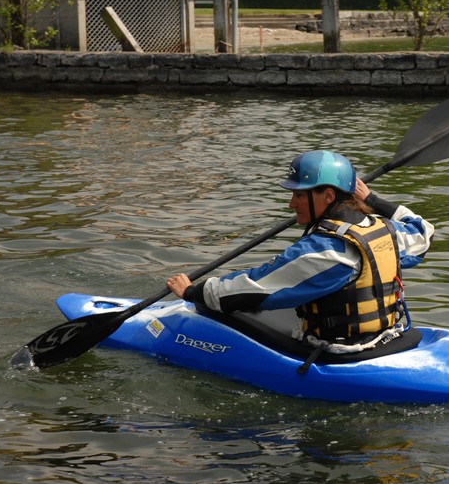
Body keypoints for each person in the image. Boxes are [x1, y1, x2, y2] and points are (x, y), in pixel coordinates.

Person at [166, 150, 434, 350]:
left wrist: (194, 291)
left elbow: (253, 286)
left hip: (341, 350)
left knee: (226, 305)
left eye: (299, 195)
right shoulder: (383, 229)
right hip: (389, 336)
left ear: (328, 197)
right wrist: (372, 199)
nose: (291, 204)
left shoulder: (324, 250)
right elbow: (423, 231)